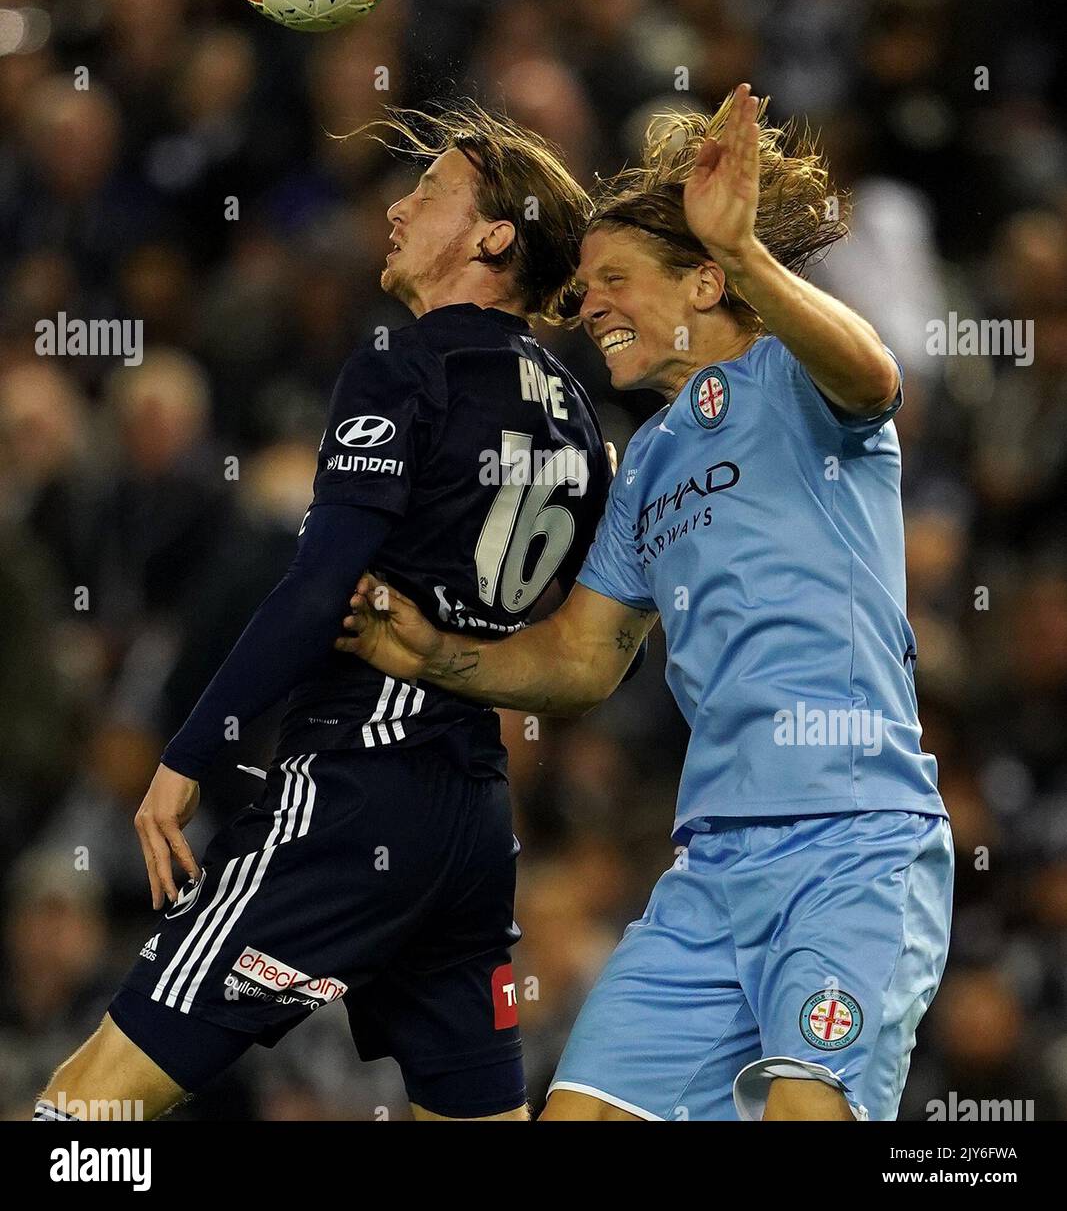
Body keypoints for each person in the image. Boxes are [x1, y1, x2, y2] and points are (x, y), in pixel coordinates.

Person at [337, 85, 954, 1122]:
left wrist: (751, 252)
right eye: (577, 289)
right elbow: (580, 659)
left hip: (852, 843)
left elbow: (873, 375)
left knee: (809, 1110)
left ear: (704, 283)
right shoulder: (648, 465)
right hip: (712, 868)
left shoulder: (798, 382)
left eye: (610, 279)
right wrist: (429, 651)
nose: (586, 307)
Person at [34, 103, 611, 1123]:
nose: (394, 207)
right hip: (472, 815)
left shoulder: (403, 367)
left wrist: (188, 756)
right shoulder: (574, 413)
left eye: (427, 191)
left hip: (351, 792)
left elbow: (317, 590)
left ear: (491, 236)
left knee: (83, 1109)